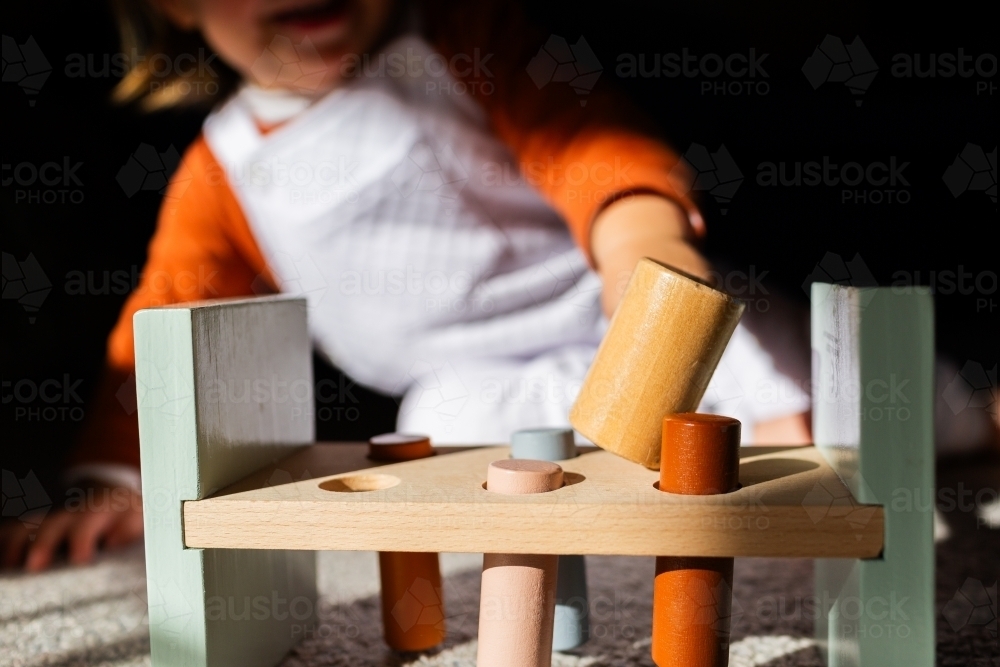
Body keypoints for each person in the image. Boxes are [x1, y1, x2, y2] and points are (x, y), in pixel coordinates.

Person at [1, 0, 810, 571]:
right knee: (437, 428)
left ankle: (833, 434)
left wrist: (644, 240)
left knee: (764, 365)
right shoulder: (223, 171)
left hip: (622, 319)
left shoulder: (465, 39)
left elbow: (586, 138)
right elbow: (168, 318)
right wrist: (114, 478)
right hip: (484, 384)